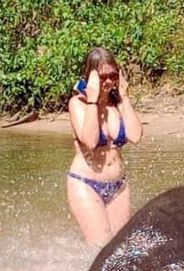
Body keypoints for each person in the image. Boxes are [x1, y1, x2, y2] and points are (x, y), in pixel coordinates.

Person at [67, 47, 143, 247]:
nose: (109, 82)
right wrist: (93, 100)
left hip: (118, 186)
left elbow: (135, 137)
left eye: (113, 76)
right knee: (100, 247)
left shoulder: (118, 103)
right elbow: (90, 141)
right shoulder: (78, 104)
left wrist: (125, 98)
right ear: (90, 76)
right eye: (102, 77)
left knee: (119, 248)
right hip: (86, 183)